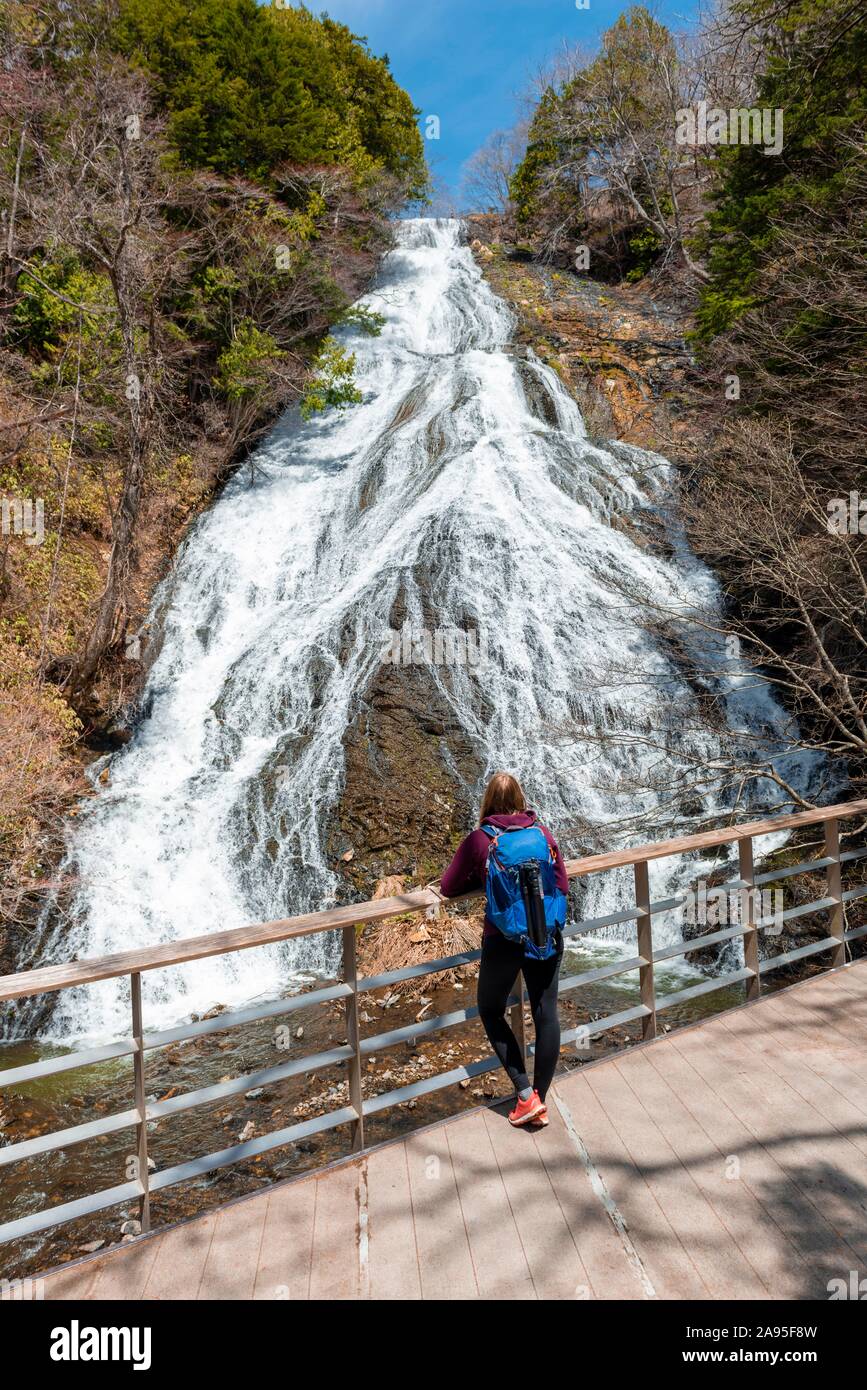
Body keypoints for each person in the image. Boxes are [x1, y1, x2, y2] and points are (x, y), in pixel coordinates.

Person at [437, 771, 568, 1127]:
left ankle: (525, 1095)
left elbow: (449, 886)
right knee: (546, 1014)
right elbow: (561, 882)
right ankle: (539, 1095)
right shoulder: (542, 833)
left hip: (504, 938)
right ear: (521, 799)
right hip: (545, 934)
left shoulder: (482, 839)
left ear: (487, 801)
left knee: (490, 1009)